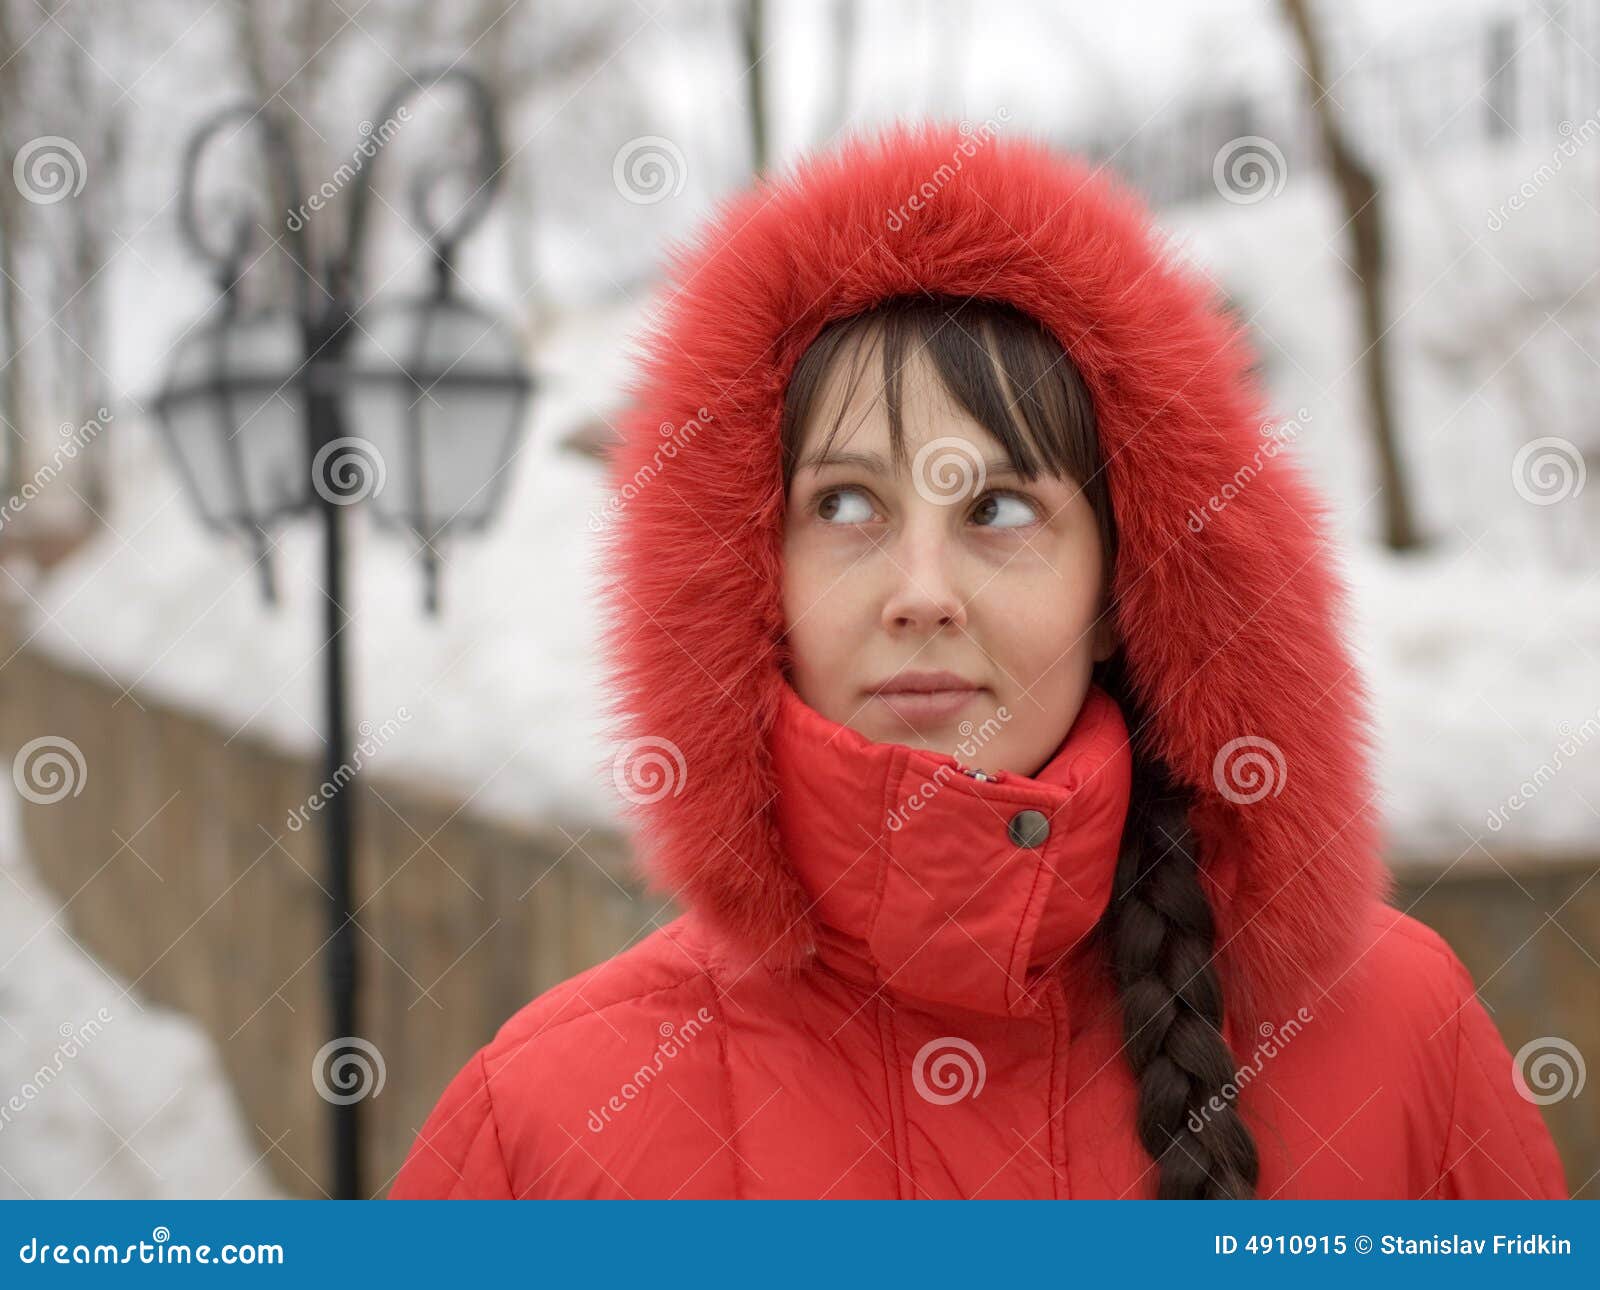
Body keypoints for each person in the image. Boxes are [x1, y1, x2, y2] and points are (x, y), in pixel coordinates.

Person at [389, 122, 1568, 1200]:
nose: (919, 594)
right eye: (846, 505)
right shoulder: (544, 1124)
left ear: (1121, 591)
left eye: (999, 511)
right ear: (758, 577)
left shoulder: (1399, 1037)